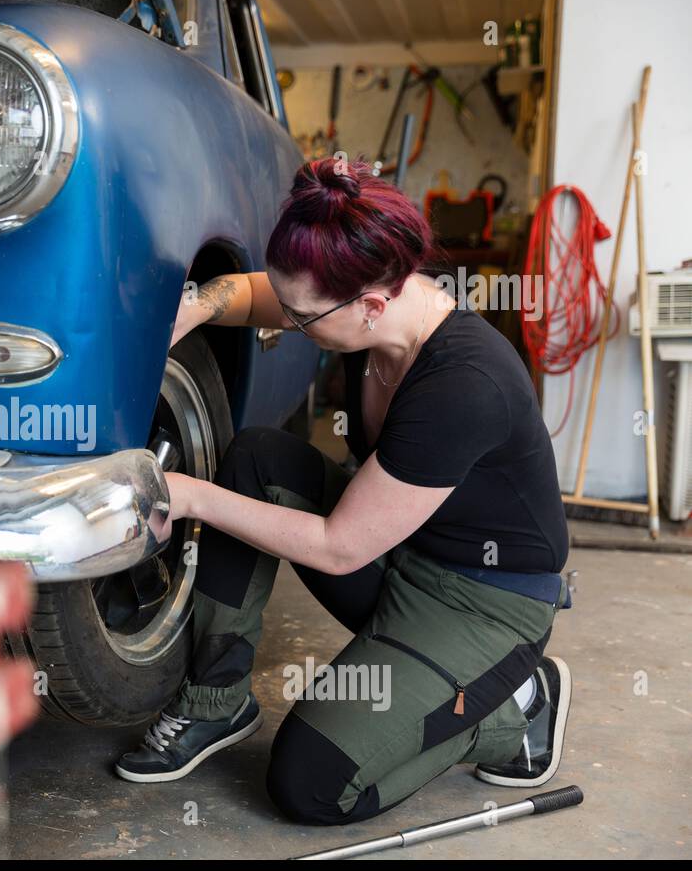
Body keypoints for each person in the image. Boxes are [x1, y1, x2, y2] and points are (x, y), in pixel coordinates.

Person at [115, 158, 573, 826]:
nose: (290, 325)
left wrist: (187, 495)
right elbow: (266, 296)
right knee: (257, 459)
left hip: (481, 606)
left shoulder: (465, 385)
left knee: (312, 785)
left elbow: (338, 549)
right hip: (401, 553)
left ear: (372, 305)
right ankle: (217, 701)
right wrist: (193, 308)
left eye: (302, 320)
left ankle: (514, 710)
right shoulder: (366, 306)